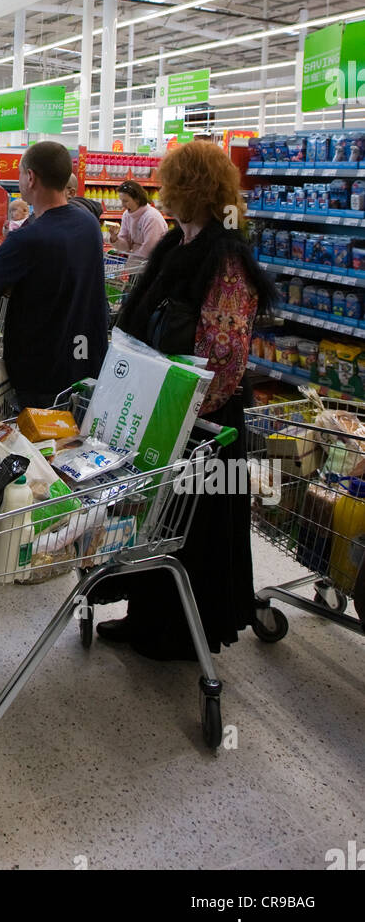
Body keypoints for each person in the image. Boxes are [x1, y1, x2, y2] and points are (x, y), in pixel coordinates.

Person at [93, 139, 274, 660]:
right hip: (159, 406)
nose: (163, 190)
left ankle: (182, 634)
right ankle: (146, 617)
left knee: (194, 533)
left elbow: (224, 357)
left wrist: (184, 410)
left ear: (192, 188)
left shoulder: (227, 257)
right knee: (156, 523)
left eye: (172, 181)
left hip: (202, 423)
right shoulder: (178, 243)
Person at [0, 141, 107, 407]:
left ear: (31, 178)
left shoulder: (27, 238)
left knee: (38, 444)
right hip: (85, 359)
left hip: (42, 369)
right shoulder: (89, 223)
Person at [112, 180, 168, 259]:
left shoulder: (152, 217)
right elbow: (126, 246)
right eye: (121, 201)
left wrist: (133, 261)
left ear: (137, 199)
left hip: (153, 261)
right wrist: (115, 239)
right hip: (137, 262)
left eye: (125, 201)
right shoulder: (126, 215)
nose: (122, 205)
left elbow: (150, 248)